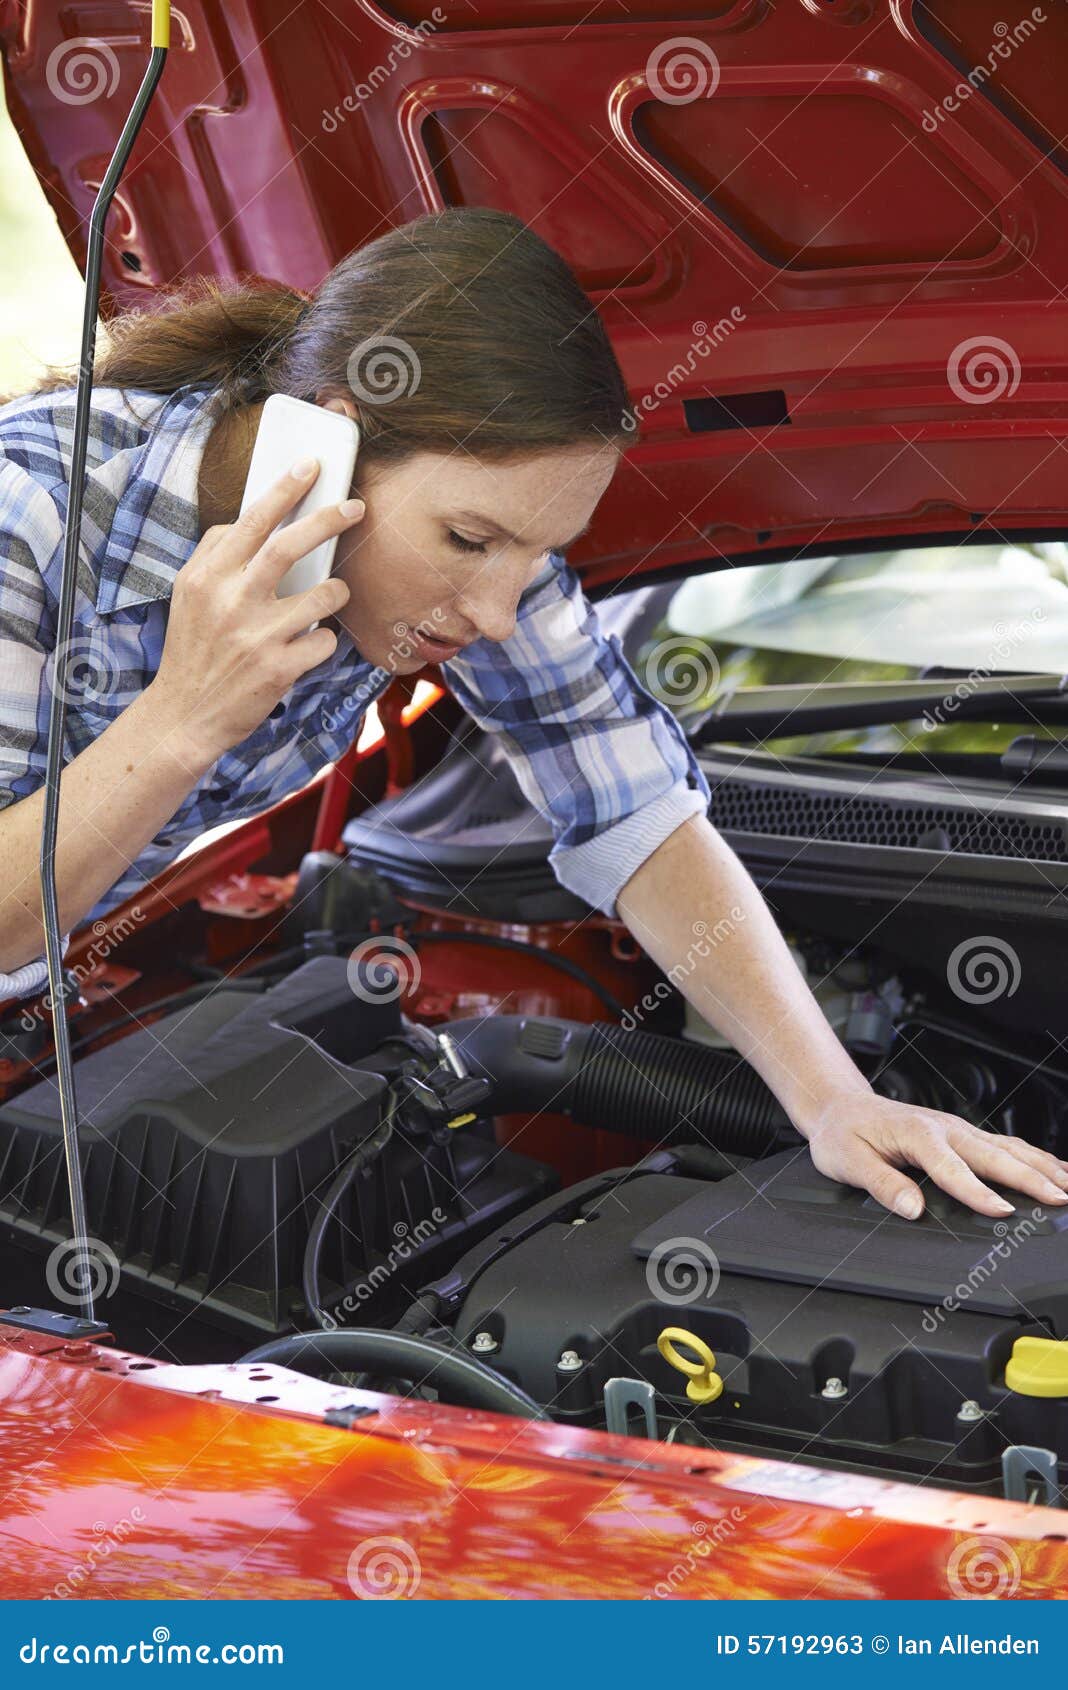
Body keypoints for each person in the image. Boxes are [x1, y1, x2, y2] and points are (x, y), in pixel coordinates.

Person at [1, 207, 1065, 1224]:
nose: (501, 614)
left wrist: (835, 1099)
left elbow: (634, 809)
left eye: (536, 553)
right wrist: (180, 720)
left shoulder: (479, 562)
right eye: (469, 541)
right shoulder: (28, 519)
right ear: (317, 455)